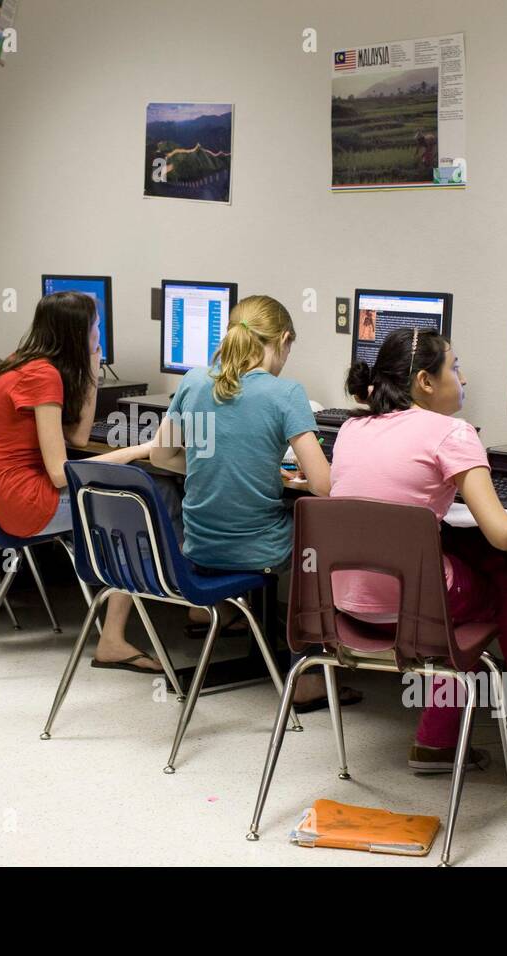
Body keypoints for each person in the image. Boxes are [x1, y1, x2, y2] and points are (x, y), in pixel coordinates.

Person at [331, 329, 507, 771]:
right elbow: (502, 530)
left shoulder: (352, 427)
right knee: (497, 584)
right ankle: (503, 700)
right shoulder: (452, 434)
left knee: (475, 551)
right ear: (426, 381)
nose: (464, 379)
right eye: (455, 367)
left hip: (345, 603)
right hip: (409, 608)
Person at [150, 295, 354, 710]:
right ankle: (309, 675)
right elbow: (322, 485)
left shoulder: (193, 381)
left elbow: (161, 456)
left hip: (199, 547)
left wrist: (220, 466)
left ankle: (229, 617)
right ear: (283, 339)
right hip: (256, 549)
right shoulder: (286, 394)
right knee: (319, 539)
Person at [0, 291, 163, 671]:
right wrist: (139, 451)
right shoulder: (43, 377)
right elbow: (62, 473)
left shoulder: (23, 364)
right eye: (96, 326)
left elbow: (76, 439)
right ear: (78, 332)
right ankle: (112, 640)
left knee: (120, 493)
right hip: (25, 505)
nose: (99, 332)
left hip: (0, 497)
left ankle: (113, 613)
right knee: (132, 509)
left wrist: (92, 368)